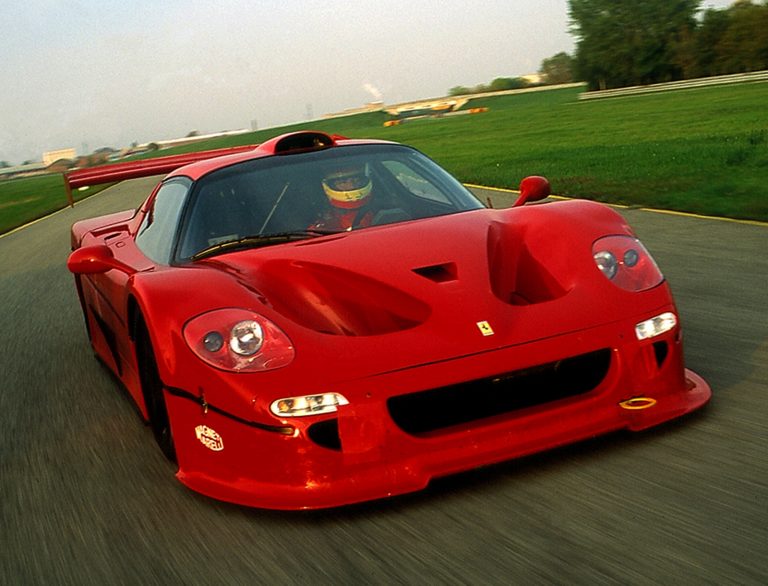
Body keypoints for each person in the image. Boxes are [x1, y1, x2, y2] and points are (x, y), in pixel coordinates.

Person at [310, 164, 375, 231]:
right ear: (327, 185)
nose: (351, 186)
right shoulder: (323, 225)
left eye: (356, 180)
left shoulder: (380, 205)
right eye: (342, 182)